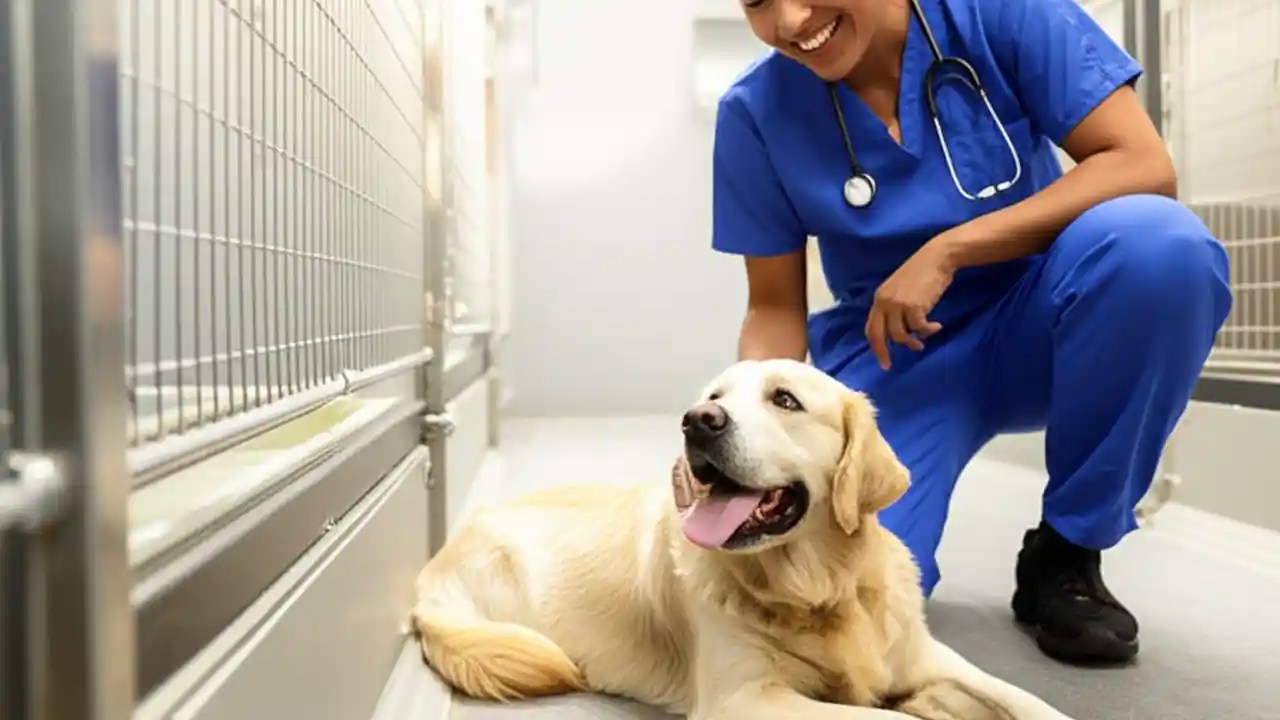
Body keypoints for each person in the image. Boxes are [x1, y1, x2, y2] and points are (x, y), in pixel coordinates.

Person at [695, 0, 1233, 666]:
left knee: (1161, 250)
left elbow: (1141, 164)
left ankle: (1067, 551)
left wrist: (951, 249)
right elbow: (774, 306)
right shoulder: (755, 111)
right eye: (757, 2)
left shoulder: (1002, 13)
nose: (792, 21)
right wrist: (745, 440)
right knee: (844, 594)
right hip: (895, 360)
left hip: (1049, 318)